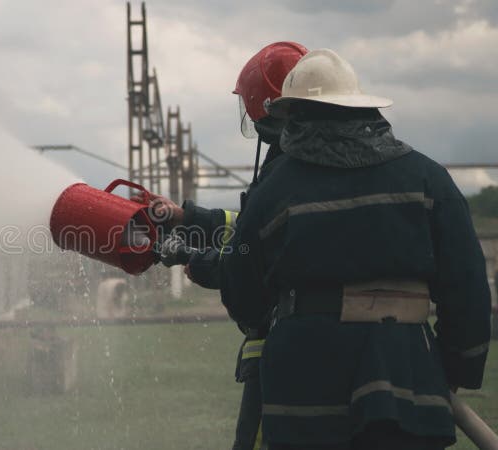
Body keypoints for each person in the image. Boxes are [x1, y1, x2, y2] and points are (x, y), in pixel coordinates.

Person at [185, 49, 491, 449]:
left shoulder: (274, 192)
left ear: (292, 116)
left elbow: (242, 291)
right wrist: (451, 369)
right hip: (408, 389)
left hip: (302, 400)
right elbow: (467, 290)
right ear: (364, 111)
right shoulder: (429, 179)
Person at [144, 41, 308, 450]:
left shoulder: (285, 175)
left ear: (265, 108)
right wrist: (187, 217)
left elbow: (250, 258)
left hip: (280, 346)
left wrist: (192, 258)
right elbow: (246, 231)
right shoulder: (304, 164)